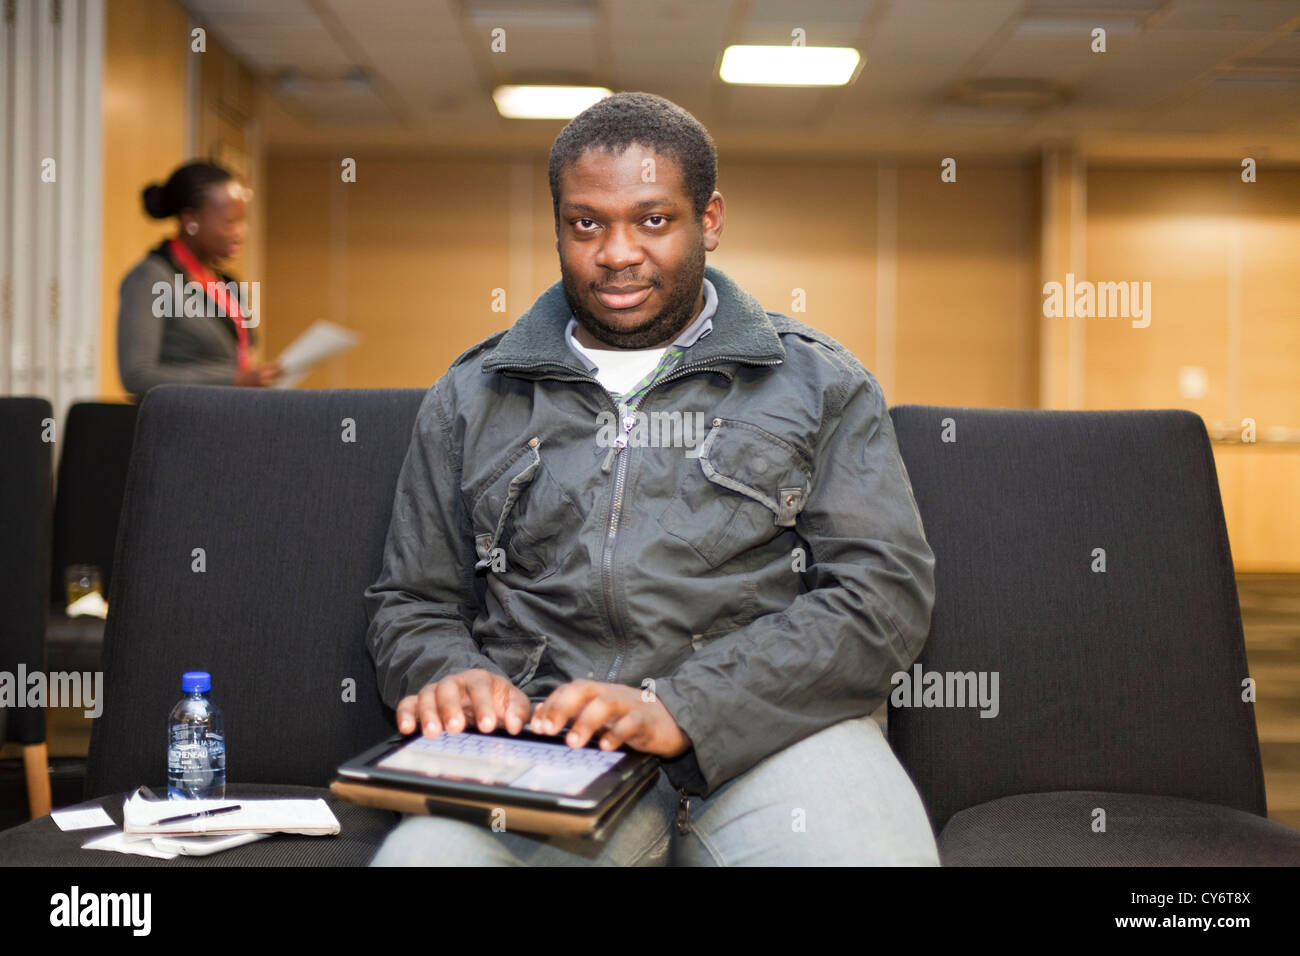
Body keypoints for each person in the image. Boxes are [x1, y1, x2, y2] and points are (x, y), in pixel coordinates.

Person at [365, 92, 940, 866]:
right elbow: (413, 602)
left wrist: (682, 706)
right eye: (587, 223)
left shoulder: (816, 381)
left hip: (776, 730)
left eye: (654, 219)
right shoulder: (475, 393)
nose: (617, 252)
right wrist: (450, 675)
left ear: (708, 220)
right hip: (550, 745)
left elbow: (883, 597)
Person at [116, 161, 281, 398]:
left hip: (230, 417)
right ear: (190, 220)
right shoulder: (150, 278)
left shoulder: (227, 282)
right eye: (229, 222)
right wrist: (233, 380)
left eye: (243, 221)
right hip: (180, 426)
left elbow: (238, 357)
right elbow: (137, 375)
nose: (240, 232)